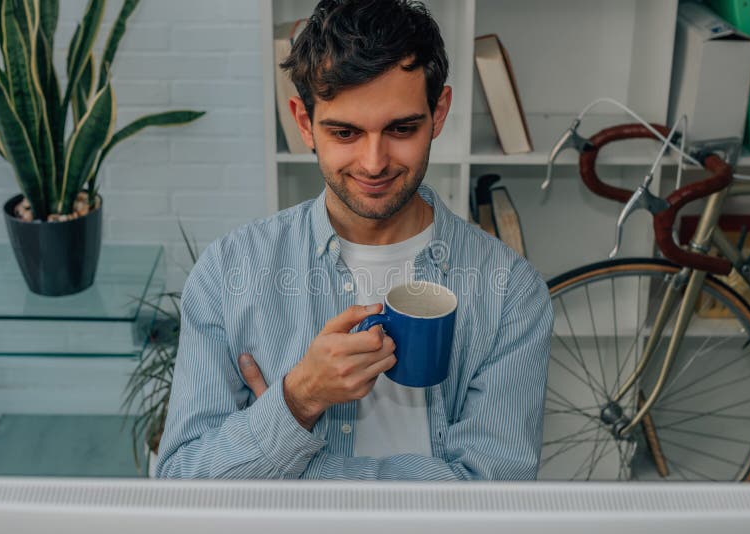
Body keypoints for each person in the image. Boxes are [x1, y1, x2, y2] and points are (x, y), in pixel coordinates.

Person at [156, 0, 552, 480]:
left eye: (401, 129)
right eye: (345, 132)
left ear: (439, 113)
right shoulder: (227, 273)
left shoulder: (511, 292)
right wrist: (301, 396)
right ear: (304, 123)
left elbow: (491, 496)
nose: (373, 163)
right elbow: (181, 480)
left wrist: (300, 470)